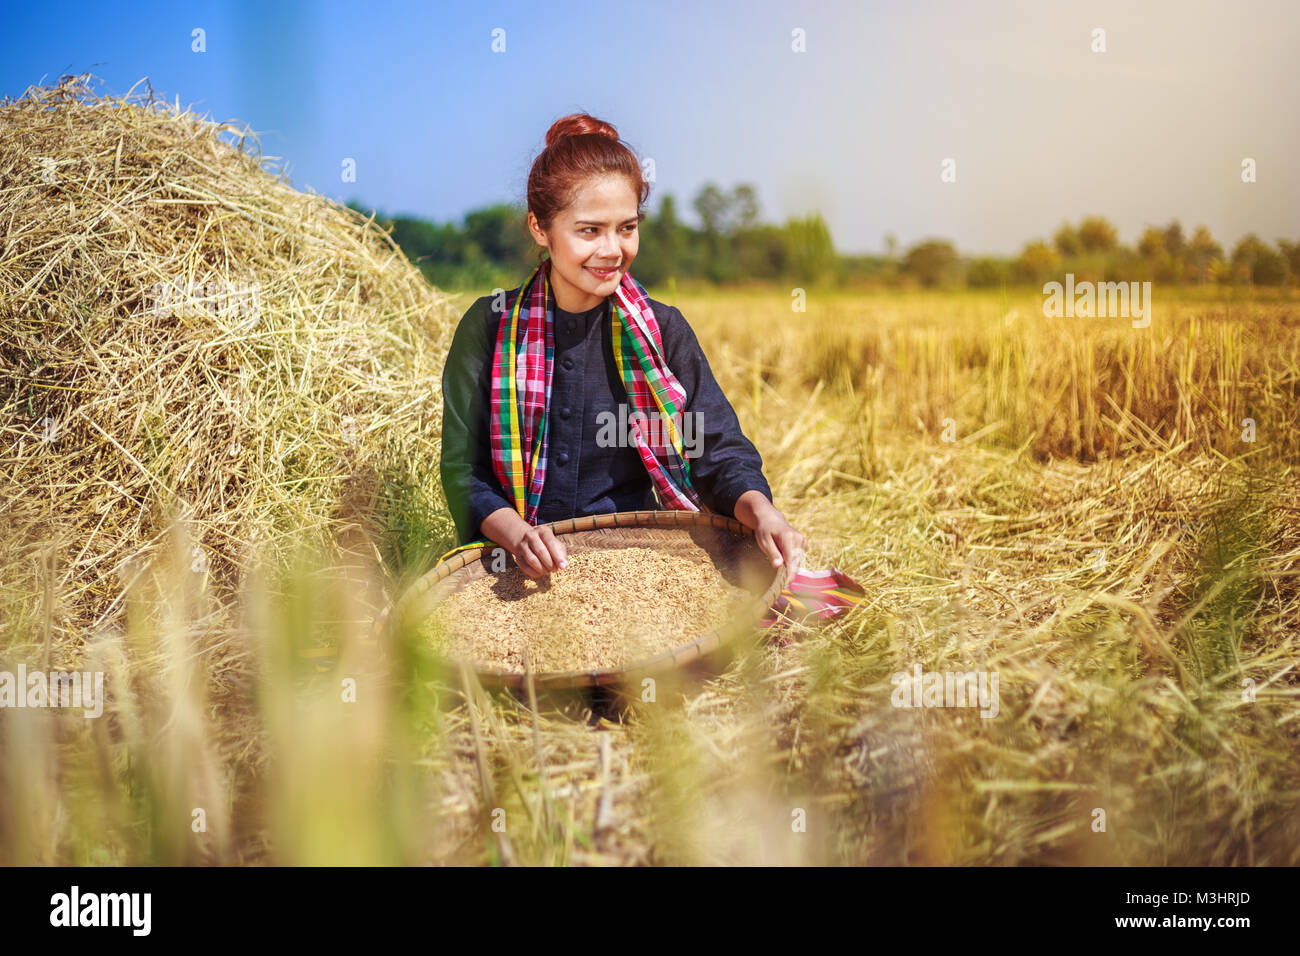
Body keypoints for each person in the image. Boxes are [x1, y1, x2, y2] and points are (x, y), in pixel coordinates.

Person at [440, 112, 806, 581]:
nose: (613, 249)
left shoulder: (663, 330)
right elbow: (463, 471)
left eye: (627, 228)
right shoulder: (489, 327)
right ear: (539, 227)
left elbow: (715, 451)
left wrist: (763, 512)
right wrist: (517, 534)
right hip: (513, 561)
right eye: (590, 230)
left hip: (639, 558)